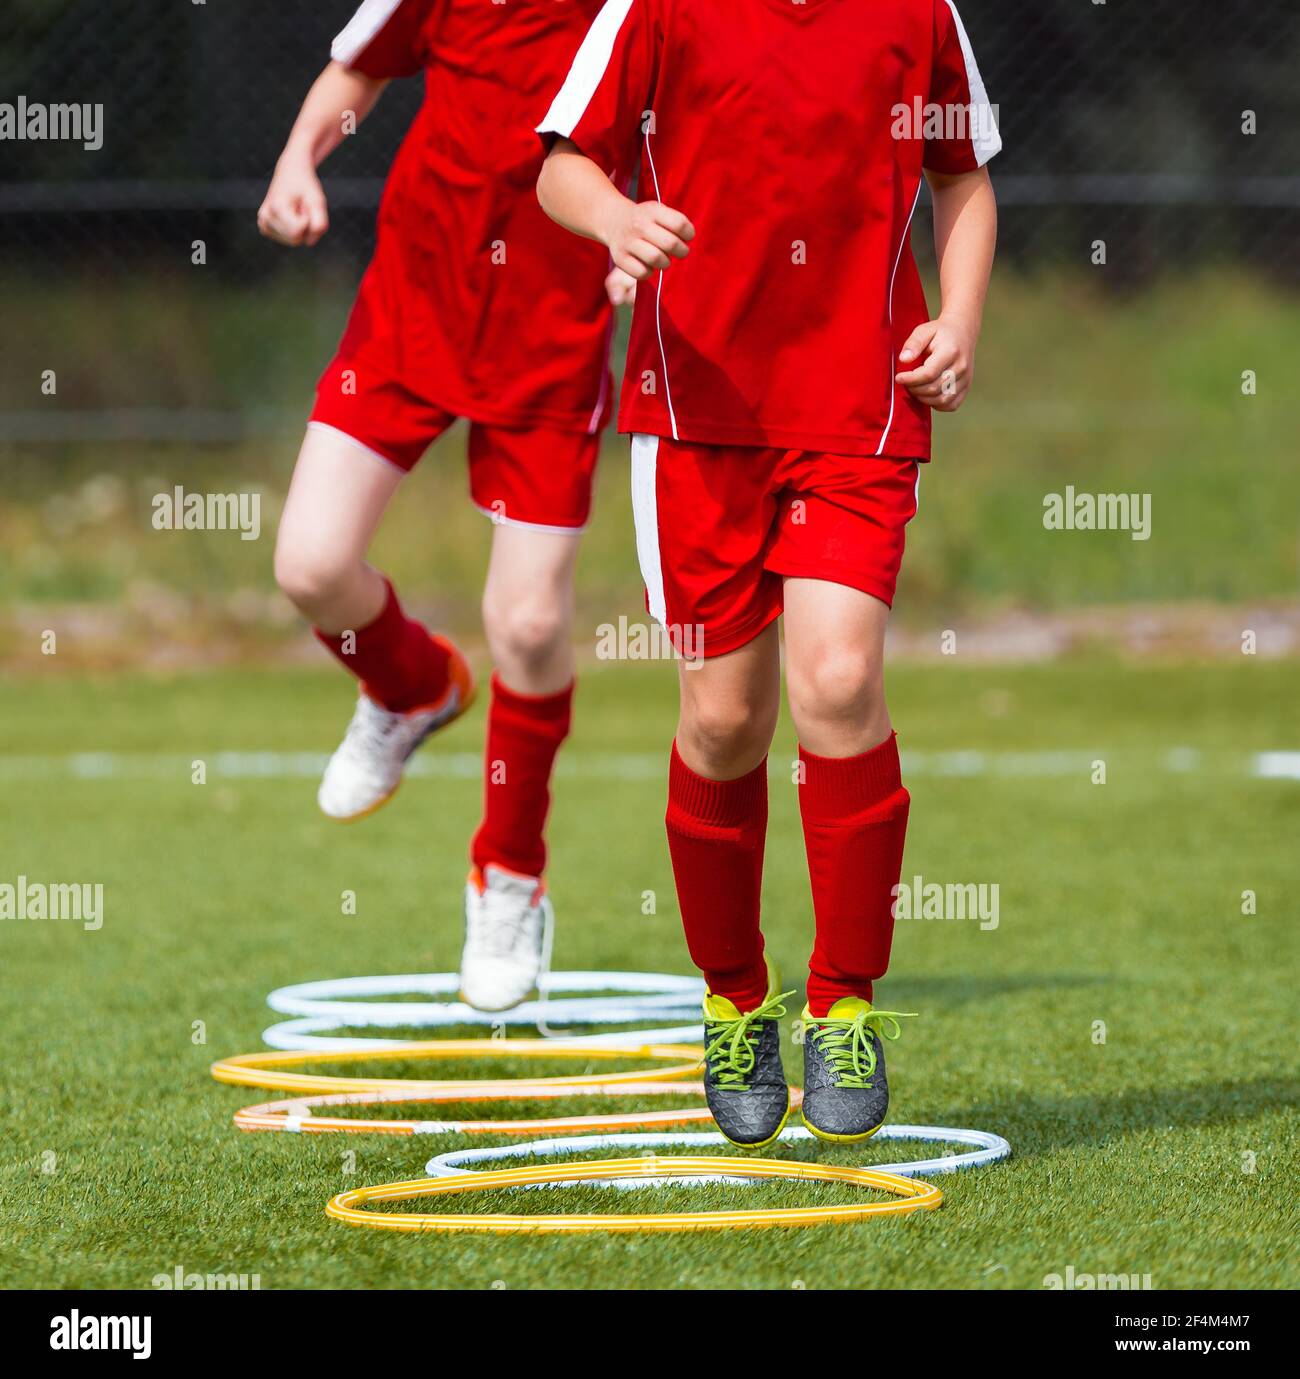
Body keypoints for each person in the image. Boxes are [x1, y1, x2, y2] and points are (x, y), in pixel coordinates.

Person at [537, 0, 999, 1143]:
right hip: (697, 415)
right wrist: (617, 219)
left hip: (860, 406)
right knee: (724, 720)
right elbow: (559, 162)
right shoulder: (655, 7)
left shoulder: (916, 13)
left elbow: (967, 180)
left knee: (837, 683)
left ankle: (843, 999)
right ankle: (736, 995)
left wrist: (963, 320)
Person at [259, 1, 622, 1011]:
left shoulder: (648, 10)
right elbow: (354, 76)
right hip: (412, 308)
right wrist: (297, 161)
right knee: (311, 566)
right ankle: (411, 685)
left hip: (551, 335)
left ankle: (507, 874)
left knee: (531, 620)